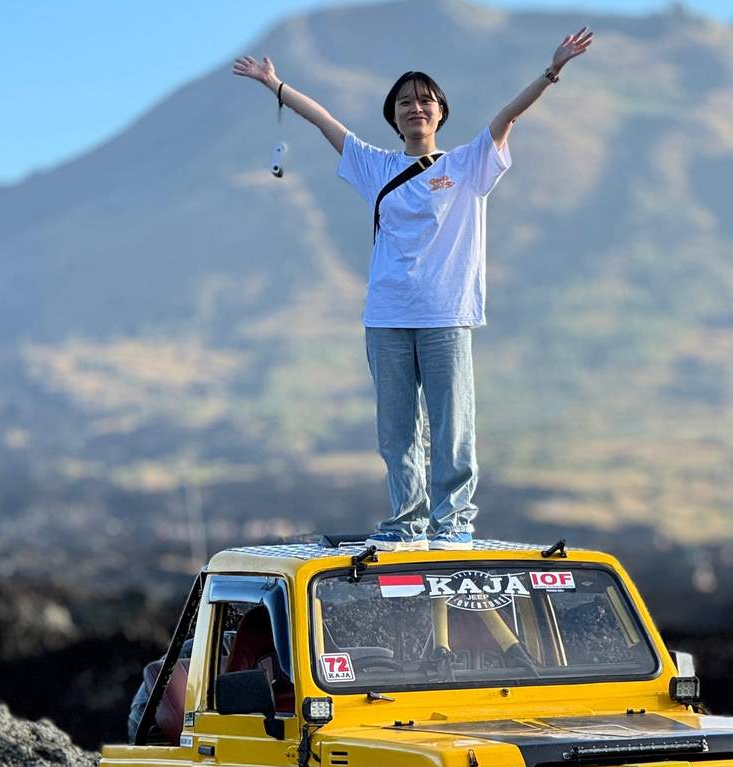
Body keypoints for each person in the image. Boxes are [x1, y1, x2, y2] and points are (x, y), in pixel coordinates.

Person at [234, 26, 595, 551]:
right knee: (397, 431)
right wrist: (275, 85)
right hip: (385, 317)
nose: (415, 108)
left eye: (425, 100)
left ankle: (453, 523)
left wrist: (553, 69)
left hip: (446, 316)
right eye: (405, 102)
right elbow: (324, 123)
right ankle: (407, 521)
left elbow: (507, 117)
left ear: (441, 112)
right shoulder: (376, 166)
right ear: (393, 116)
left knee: (452, 426)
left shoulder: (467, 164)